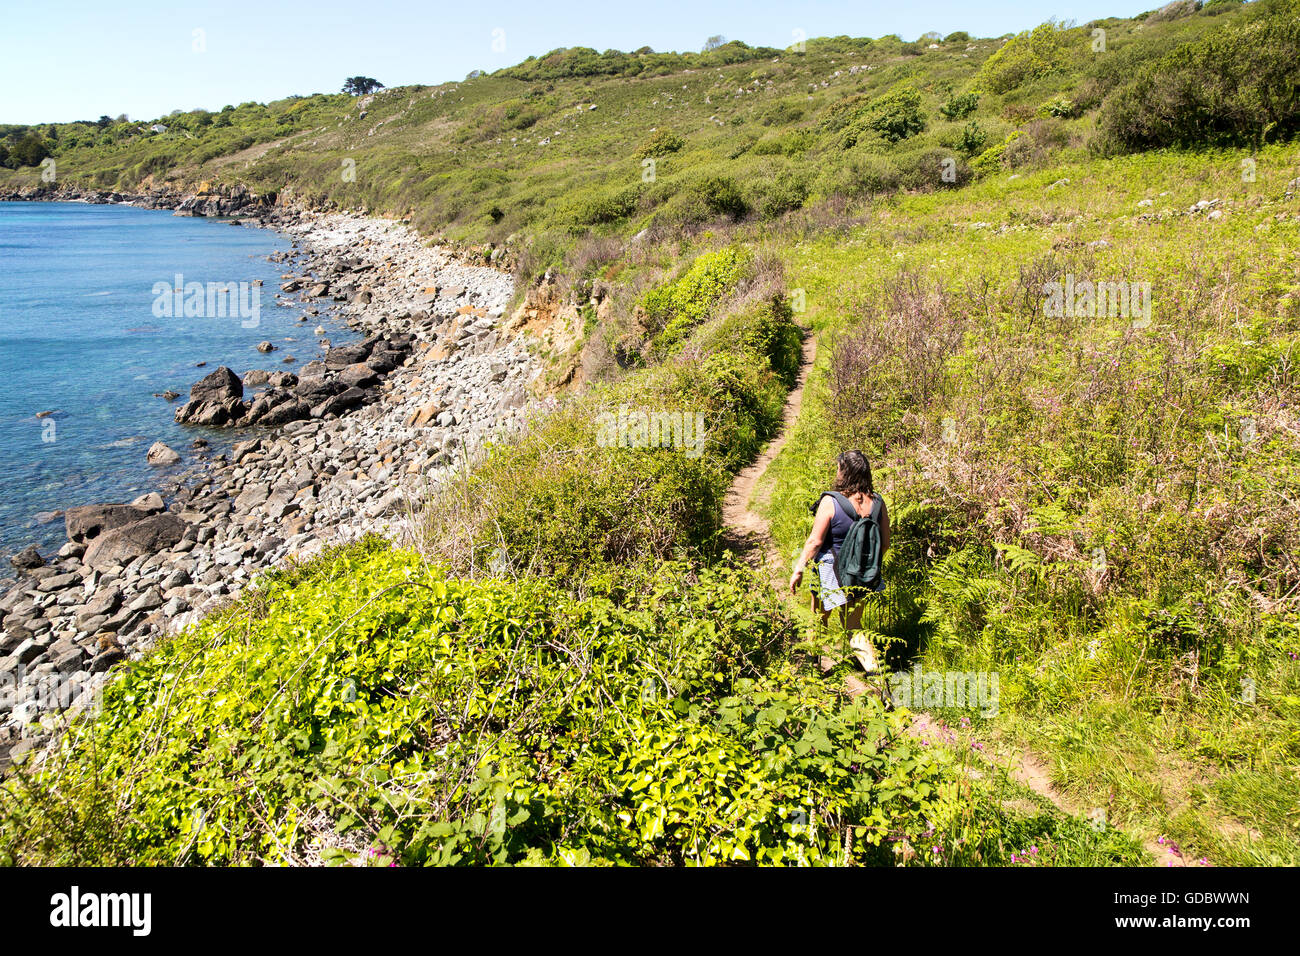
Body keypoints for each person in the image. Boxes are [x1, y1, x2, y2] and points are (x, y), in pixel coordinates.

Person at [788, 450, 890, 672]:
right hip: (863, 577)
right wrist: (866, 568)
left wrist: (799, 569)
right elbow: (884, 544)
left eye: (839, 467)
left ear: (845, 472)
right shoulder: (878, 503)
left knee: (818, 621)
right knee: (853, 626)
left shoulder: (831, 501)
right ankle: (878, 676)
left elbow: (815, 541)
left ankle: (811, 672)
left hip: (829, 575)